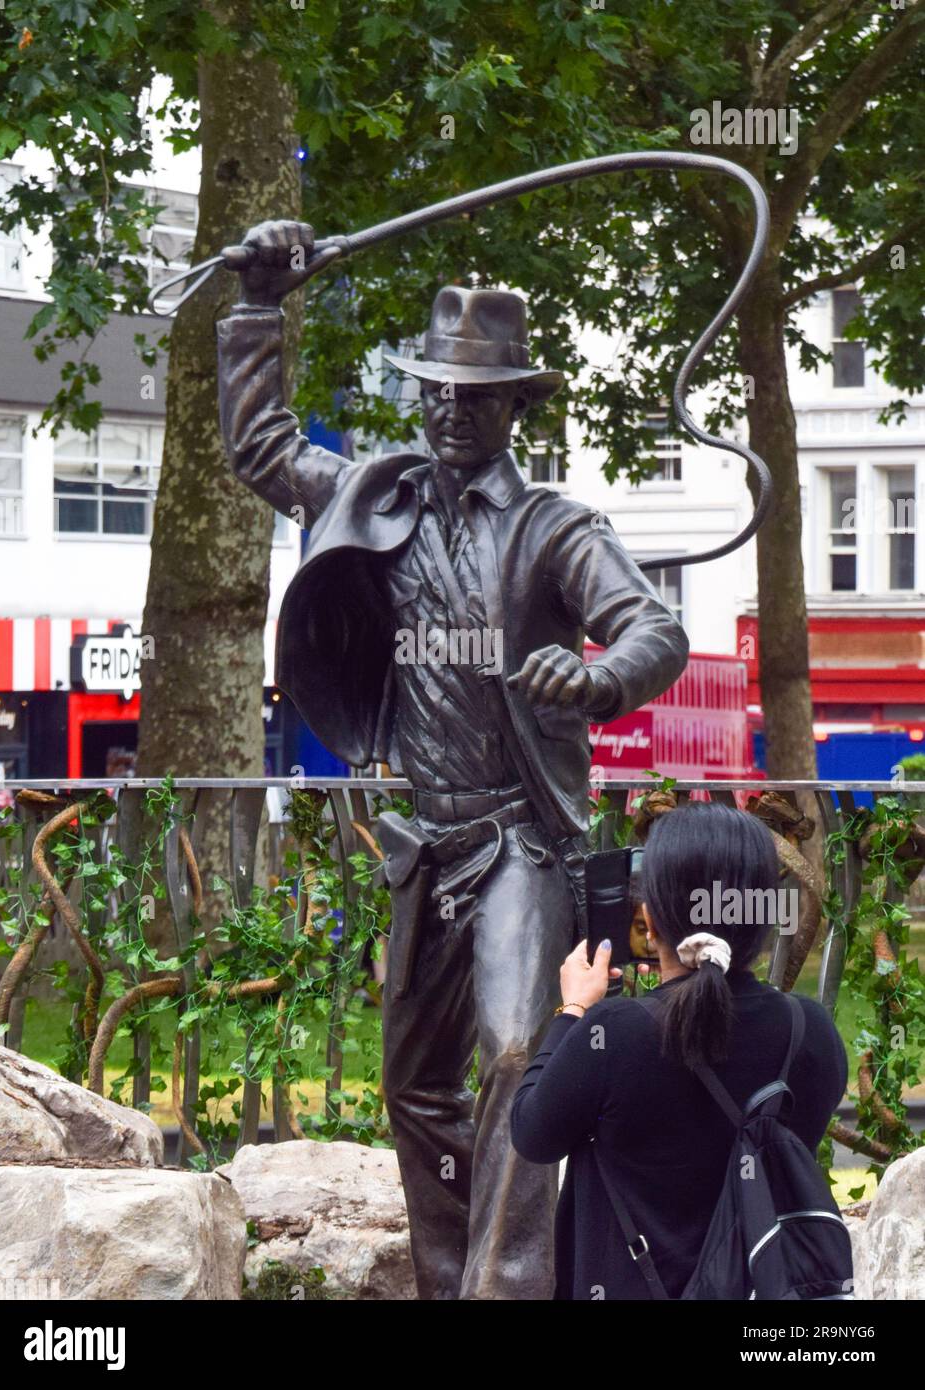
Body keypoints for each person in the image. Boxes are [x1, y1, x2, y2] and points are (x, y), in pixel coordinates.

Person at [217, 220, 690, 1299]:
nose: (447, 410)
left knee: (522, 1055)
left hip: (520, 840)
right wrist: (256, 304)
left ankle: (506, 1291)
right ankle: (449, 1278)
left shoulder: (555, 528)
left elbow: (653, 629)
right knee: (414, 1087)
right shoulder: (371, 494)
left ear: (518, 404)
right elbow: (259, 447)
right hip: (427, 847)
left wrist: (599, 677)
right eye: (433, 389)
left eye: (473, 396)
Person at [510, 801, 848, 1301]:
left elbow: (531, 1132)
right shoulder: (810, 1032)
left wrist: (574, 1010)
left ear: (650, 917)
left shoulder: (614, 1033)